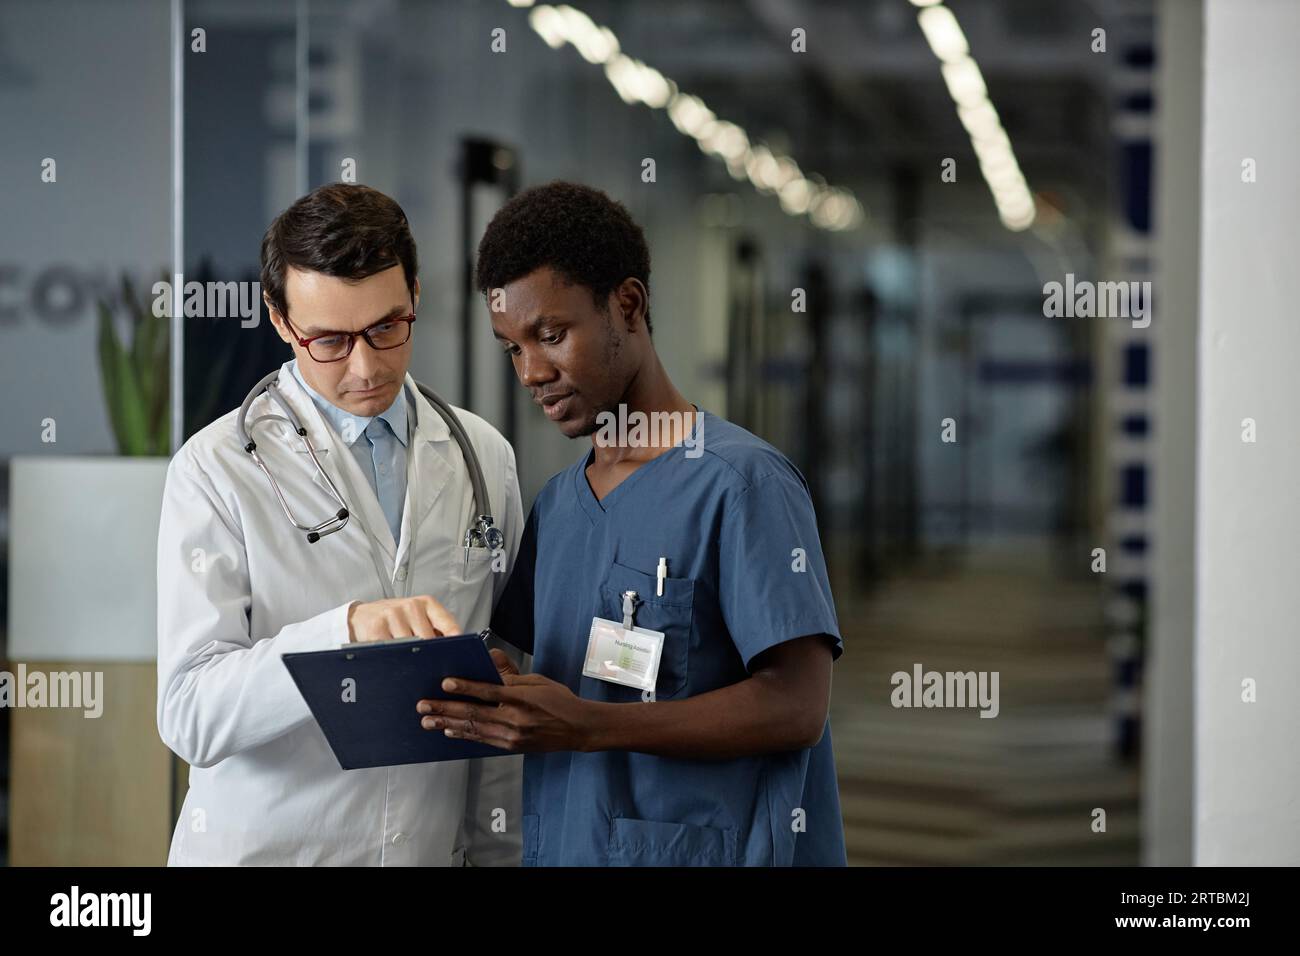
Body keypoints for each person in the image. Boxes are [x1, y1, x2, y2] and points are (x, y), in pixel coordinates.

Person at [417, 181, 846, 866]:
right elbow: (559, 678)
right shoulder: (558, 506)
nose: (532, 371)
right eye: (511, 349)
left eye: (551, 335)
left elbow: (797, 706)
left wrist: (592, 725)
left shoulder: (742, 484)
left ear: (629, 305)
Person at [156, 182, 523, 866]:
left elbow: (495, 701)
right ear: (279, 319)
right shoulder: (216, 469)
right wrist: (343, 633)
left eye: (386, 327)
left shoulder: (483, 459)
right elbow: (189, 715)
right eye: (328, 340)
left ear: (415, 293)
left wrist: (498, 853)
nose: (366, 366)